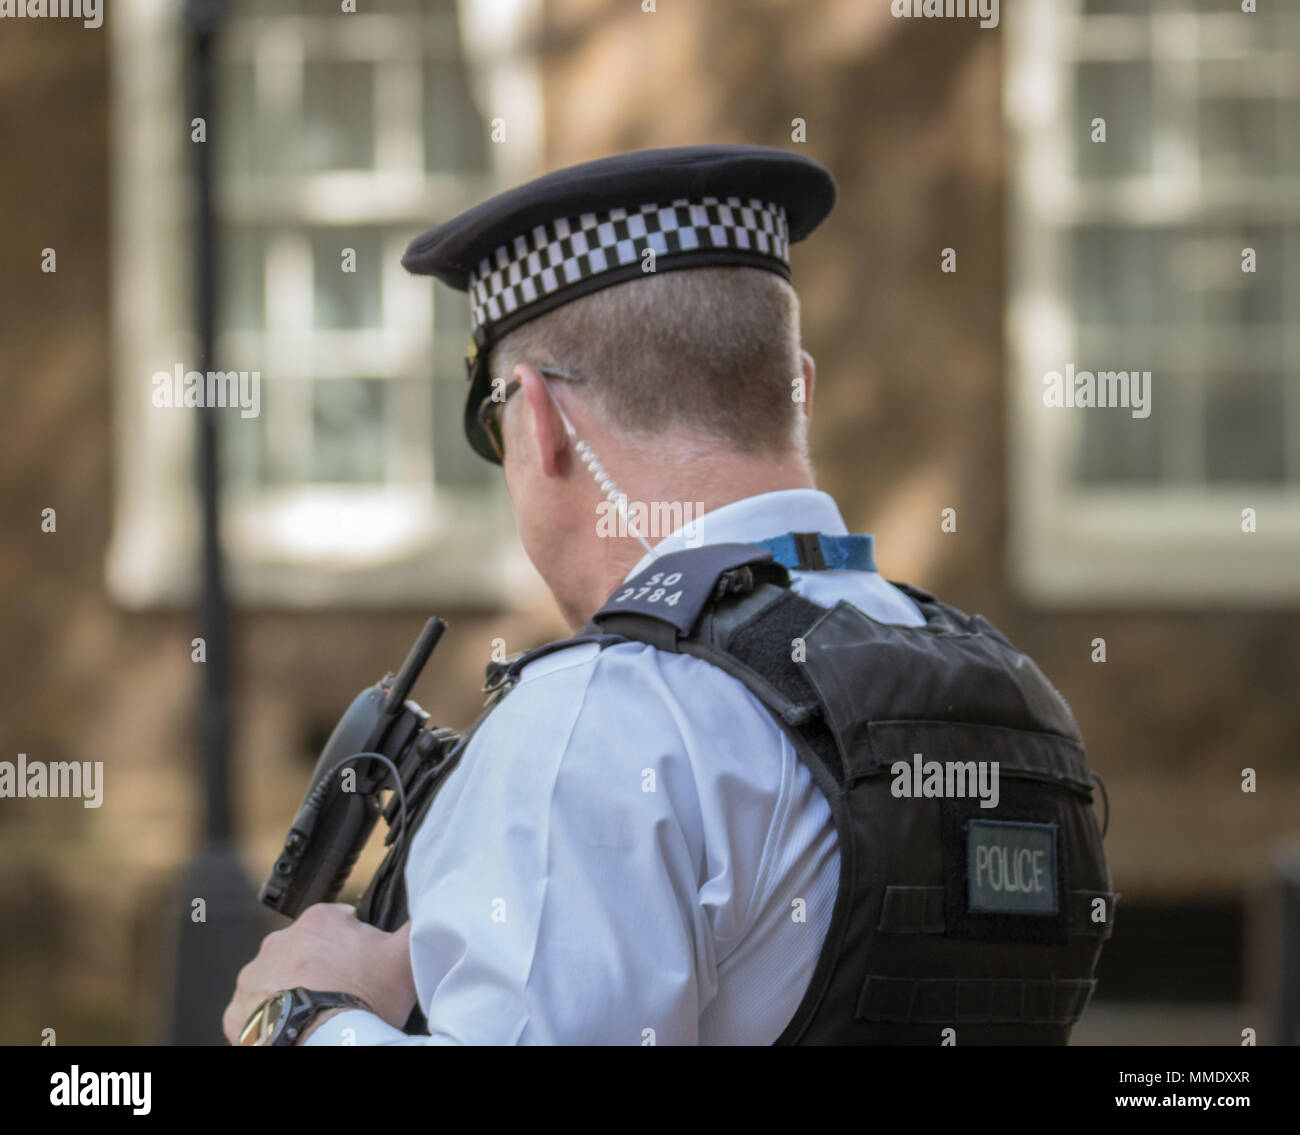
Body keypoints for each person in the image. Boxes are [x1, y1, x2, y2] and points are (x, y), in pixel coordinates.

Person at [224, 145, 1112, 1047]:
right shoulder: (1005, 692)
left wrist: (300, 1017)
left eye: (494, 431)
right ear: (797, 391)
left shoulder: (602, 721)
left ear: (538, 418)